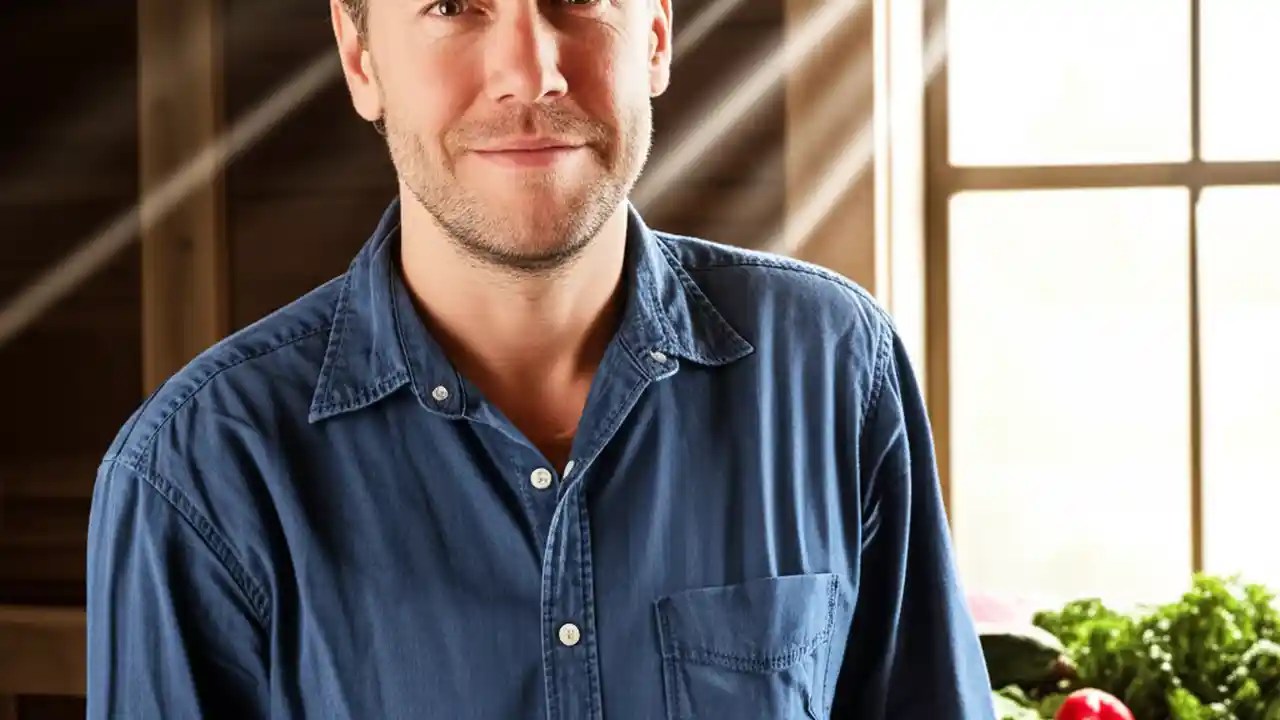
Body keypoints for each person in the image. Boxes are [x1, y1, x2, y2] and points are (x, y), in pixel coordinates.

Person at [86, 0, 994, 716]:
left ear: (656, 35)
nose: (533, 70)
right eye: (453, 5)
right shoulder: (195, 472)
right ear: (362, 58)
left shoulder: (834, 368)